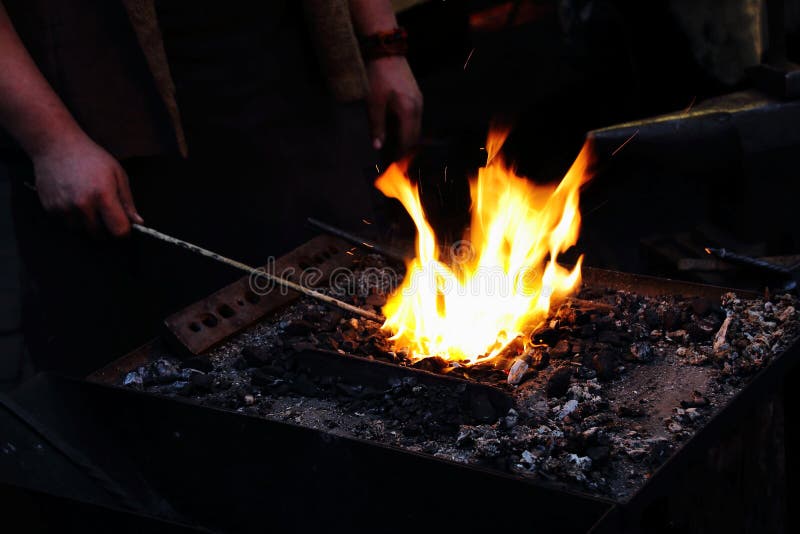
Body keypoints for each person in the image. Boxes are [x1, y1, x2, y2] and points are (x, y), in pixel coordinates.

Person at [0, 0, 422, 375]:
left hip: (289, 72)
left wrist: (382, 44)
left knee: (342, 298)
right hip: (111, 121)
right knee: (148, 364)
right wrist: (53, 140)